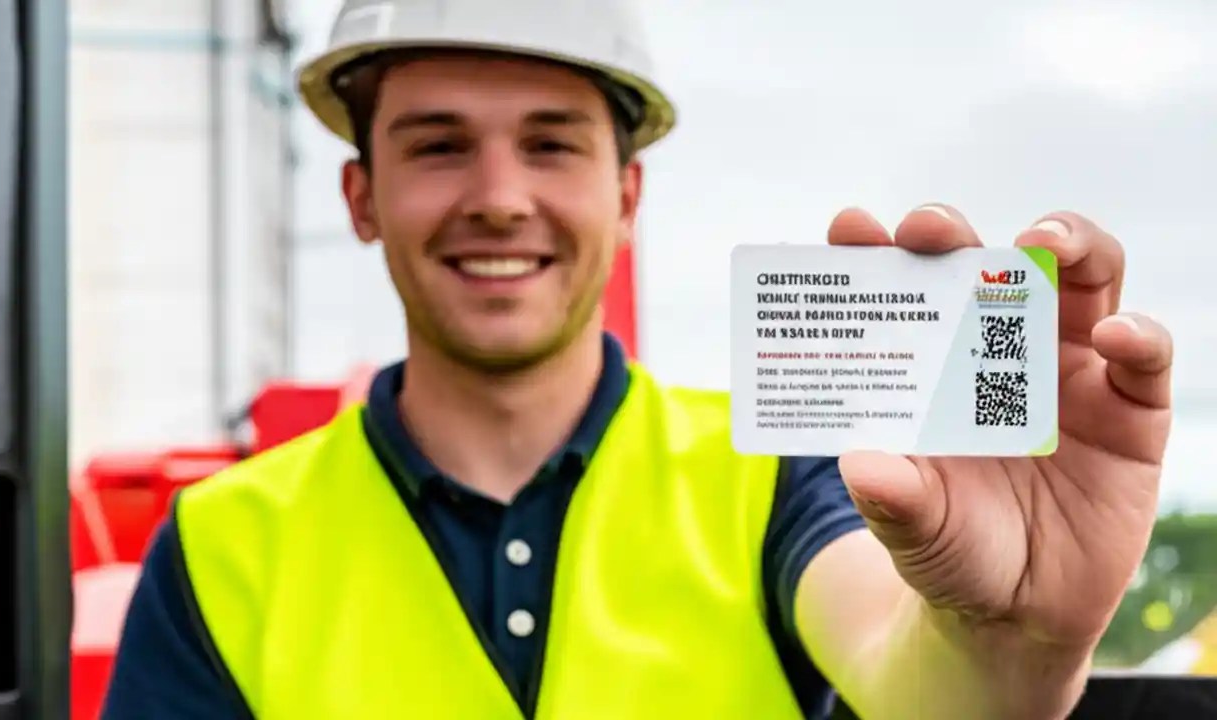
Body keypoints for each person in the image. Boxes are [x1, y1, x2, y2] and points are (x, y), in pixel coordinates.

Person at [101, 1, 1175, 718]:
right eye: (436, 143)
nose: (498, 195)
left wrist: (1010, 643)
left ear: (625, 196)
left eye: (550, 141)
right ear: (360, 198)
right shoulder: (219, 549)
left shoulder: (769, 476)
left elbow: (909, 682)